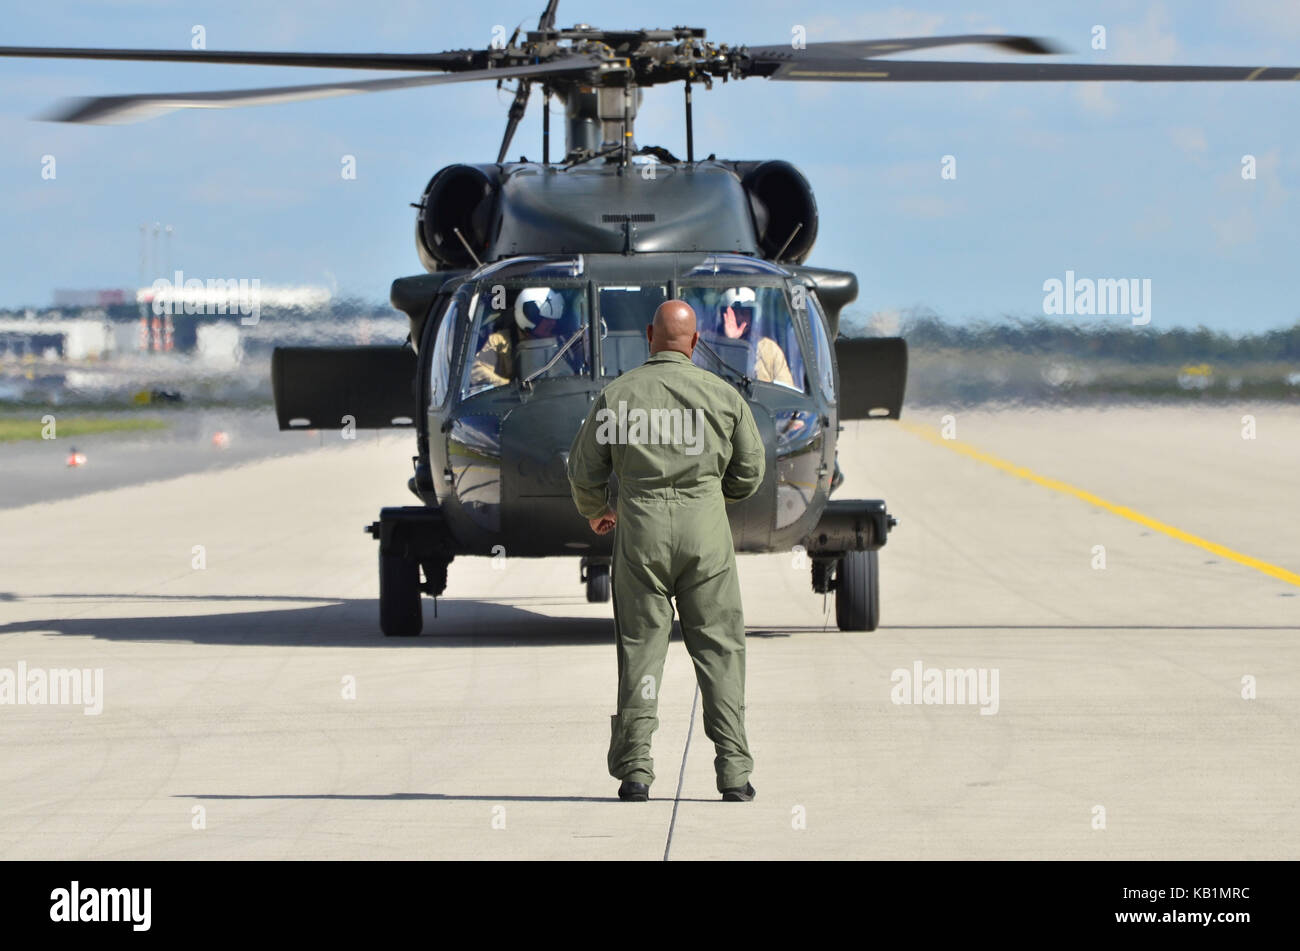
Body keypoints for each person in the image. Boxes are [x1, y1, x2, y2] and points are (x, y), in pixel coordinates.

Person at [567, 298, 766, 803]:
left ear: (650, 337)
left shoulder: (618, 396)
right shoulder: (724, 396)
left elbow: (584, 468)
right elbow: (750, 471)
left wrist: (597, 509)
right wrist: (710, 498)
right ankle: (734, 773)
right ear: (695, 342)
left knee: (641, 653)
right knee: (720, 651)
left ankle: (636, 770)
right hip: (706, 536)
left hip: (641, 533)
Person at [469, 286, 565, 388]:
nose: (553, 323)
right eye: (547, 320)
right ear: (531, 316)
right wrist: (508, 387)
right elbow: (476, 370)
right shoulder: (499, 341)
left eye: (554, 320)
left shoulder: (562, 341)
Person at [710, 287, 794, 387]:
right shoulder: (709, 346)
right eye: (734, 313)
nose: (739, 318)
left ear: (753, 315)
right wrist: (731, 342)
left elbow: (786, 392)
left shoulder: (769, 349)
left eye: (744, 313)